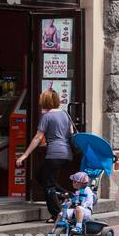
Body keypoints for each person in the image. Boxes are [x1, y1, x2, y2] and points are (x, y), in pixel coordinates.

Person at [16, 88, 74, 221]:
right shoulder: (65, 114)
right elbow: (70, 133)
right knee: (39, 174)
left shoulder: (47, 116)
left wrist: (25, 155)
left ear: (45, 101)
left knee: (49, 186)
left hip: (54, 154)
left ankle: (57, 215)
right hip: (66, 154)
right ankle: (64, 194)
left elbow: (37, 137)